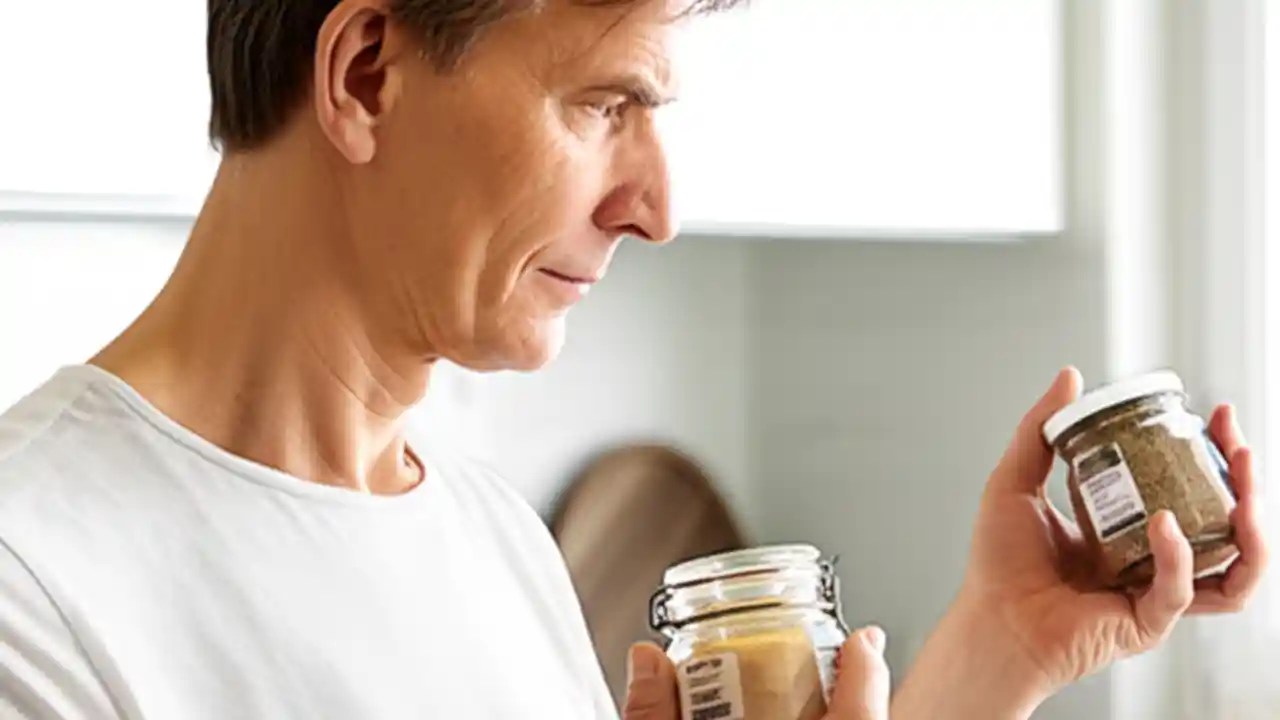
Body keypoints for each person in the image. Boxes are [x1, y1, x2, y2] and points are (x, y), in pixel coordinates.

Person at [0, 0, 1265, 718]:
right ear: (366, 72)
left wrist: (999, 650)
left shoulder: (491, 541)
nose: (653, 207)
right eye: (603, 105)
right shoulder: (34, 580)